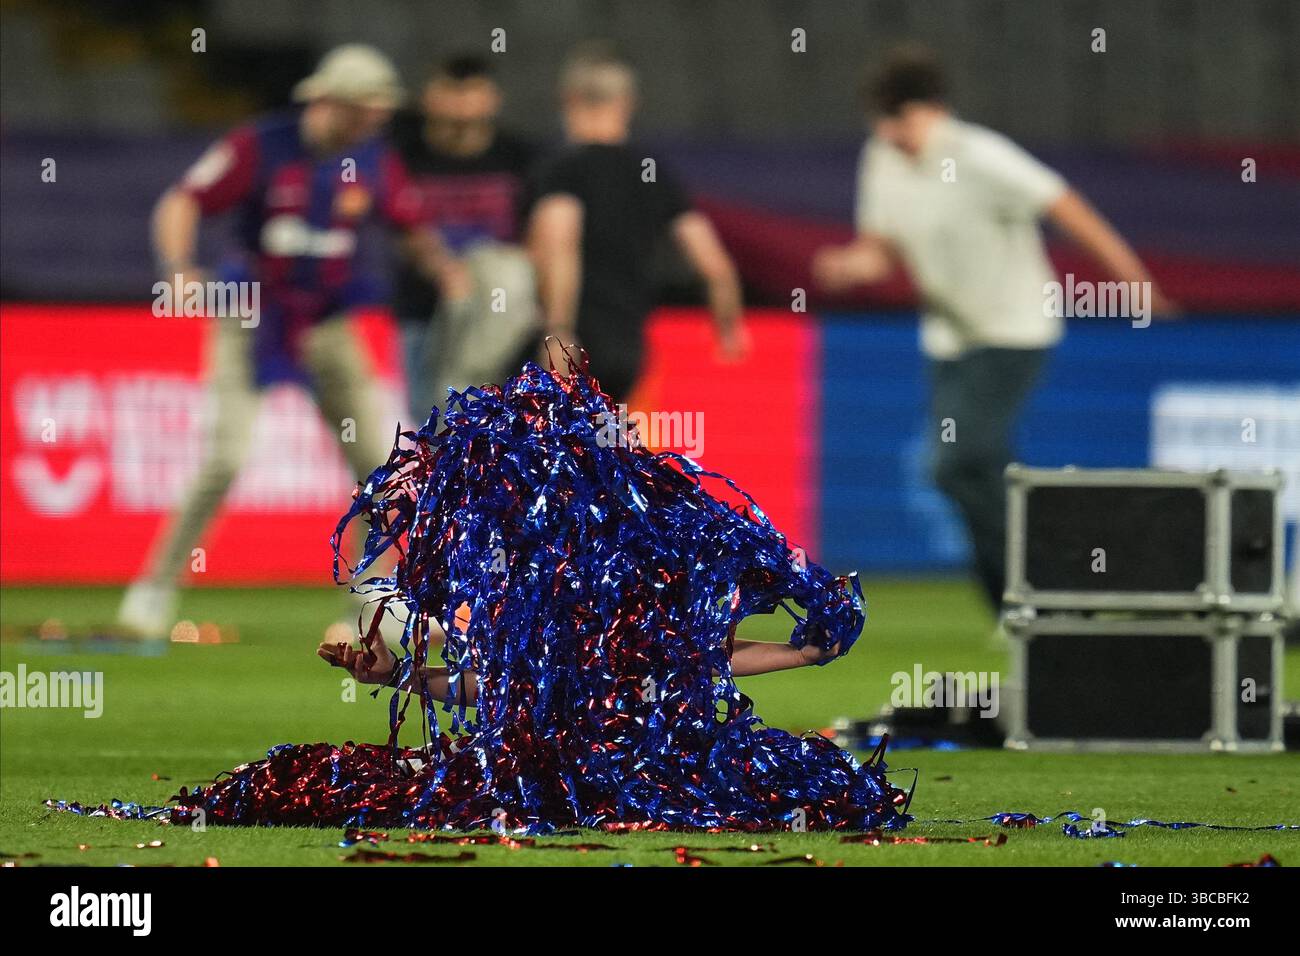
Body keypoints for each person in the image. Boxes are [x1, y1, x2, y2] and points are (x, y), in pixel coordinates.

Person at [813, 45, 1174, 613]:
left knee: (954, 462)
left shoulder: (980, 155)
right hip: (949, 338)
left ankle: (1034, 587)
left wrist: (1134, 282)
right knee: (975, 472)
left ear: (926, 111)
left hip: (1012, 331)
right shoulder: (882, 157)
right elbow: (880, 250)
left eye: (895, 120)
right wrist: (848, 266)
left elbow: (1068, 208)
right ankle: (1030, 598)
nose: (888, 133)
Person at [117, 45, 457, 638]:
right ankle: (152, 591)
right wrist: (177, 266)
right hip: (253, 317)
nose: (372, 124)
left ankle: (370, 606)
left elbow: (410, 226)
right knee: (224, 458)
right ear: (327, 101)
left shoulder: (372, 161)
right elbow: (183, 199)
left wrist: (446, 271)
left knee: (381, 471)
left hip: (327, 322)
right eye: (363, 112)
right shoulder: (259, 146)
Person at [527, 43, 750, 404]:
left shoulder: (563, 170)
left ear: (569, 99)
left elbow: (560, 245)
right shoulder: (654, 175)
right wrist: (729, 329)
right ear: (627, 103)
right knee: (604, 449)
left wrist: (558, 330)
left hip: (574, 343)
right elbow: (714, 265)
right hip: (629, 348)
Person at [388, 54, 541, 421]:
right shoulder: (403, 156)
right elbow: (399, 226)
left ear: (492, 99)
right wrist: (441, 268)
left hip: (500, 319)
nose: (460, 104)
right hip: (425, 310)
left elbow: (540, 236)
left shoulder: (520, 158)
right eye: (450, 91)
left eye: (470, 92)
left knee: (496, 426)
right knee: (430, 423)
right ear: (428, 97)